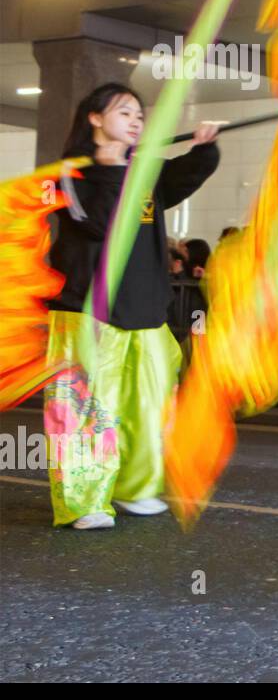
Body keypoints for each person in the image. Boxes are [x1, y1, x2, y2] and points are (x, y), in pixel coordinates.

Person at [44, 83, 220, 529]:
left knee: (149, 408)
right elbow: (100, 222)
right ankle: (85, 502)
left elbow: (186, 176)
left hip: (146, 312)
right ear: (95, 119)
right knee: (86, 411)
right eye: (125, 112)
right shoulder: (70, 176)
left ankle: (136, 488)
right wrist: (115, 168)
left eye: (140, 114)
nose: (137, 119)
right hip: (87, 314)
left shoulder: (147, 174)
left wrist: (204, 149)